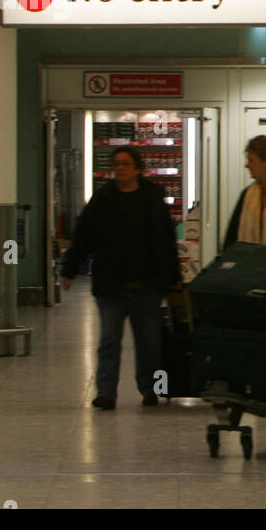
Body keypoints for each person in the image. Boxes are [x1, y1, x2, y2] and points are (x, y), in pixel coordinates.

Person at [61, 146, 181, 409]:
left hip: (147, 284)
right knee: (109, 341)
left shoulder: (152, 199)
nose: (120, 168)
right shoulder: (103, 200)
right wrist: (69, 269)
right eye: (117, 164)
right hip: (111, 285)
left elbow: (165, 241)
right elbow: (84, 236)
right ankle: (106, 392)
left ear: (137, 168)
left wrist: (174, 277)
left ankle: (150, 389)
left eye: (126, 164)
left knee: (149, 343)